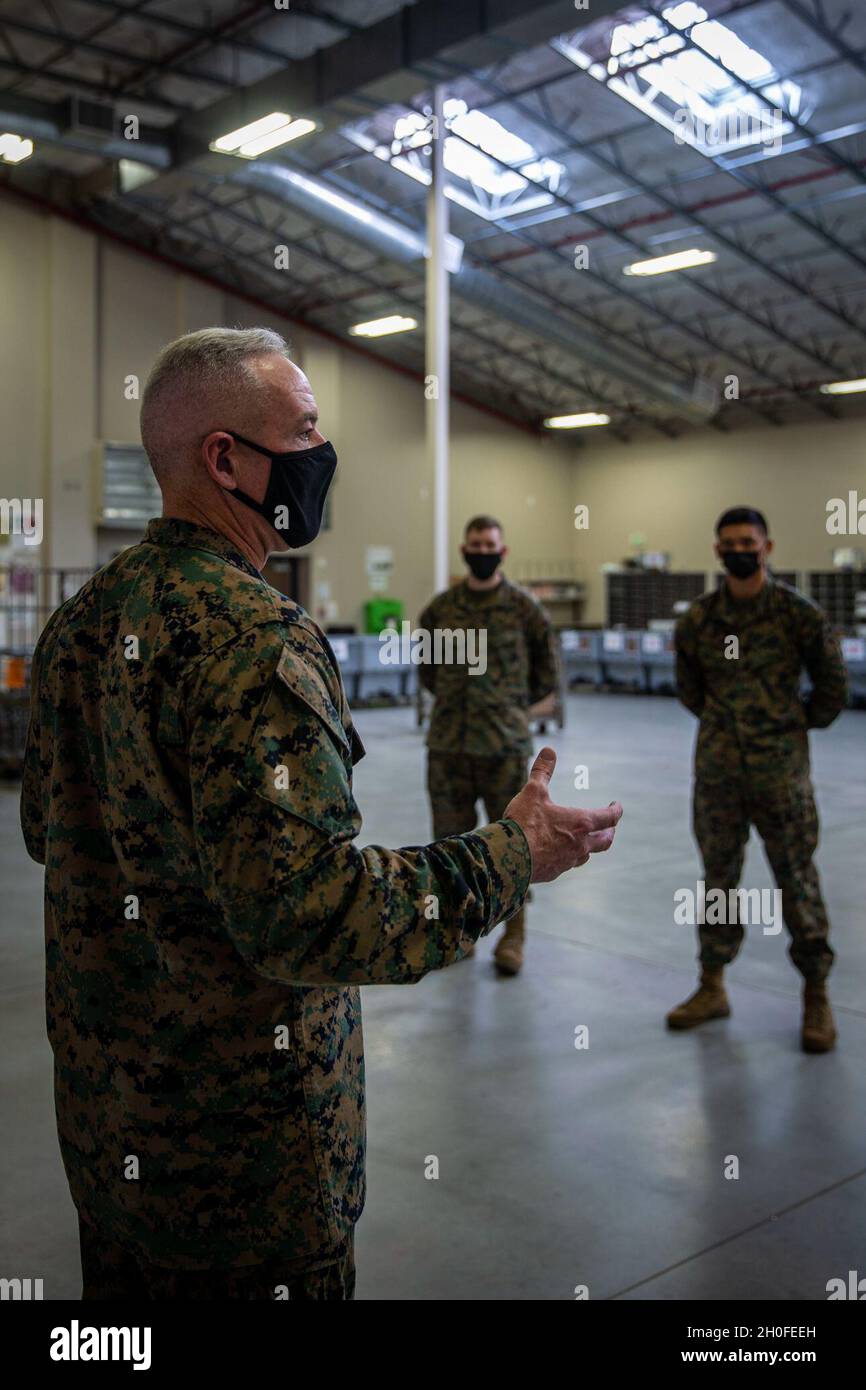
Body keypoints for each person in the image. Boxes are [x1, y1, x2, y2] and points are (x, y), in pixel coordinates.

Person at [20, 327, 622, 1300]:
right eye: (303, 430)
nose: (318, 455)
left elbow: (48, 832)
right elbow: (310, 916)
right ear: (226, 458)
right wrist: (511, 853)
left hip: (111, 1142)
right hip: (245, 1180)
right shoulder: (255, 640)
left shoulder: (80, 624)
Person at [668, 506, 847, 1051]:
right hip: (718, 774)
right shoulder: (698, 620)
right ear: (717, 551)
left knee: (796, 879)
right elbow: (689, 690)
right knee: (717, 882)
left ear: (768, 547)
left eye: (749, 540)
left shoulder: (800, 616)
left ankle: (816, 994)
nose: (739, 549)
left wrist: (787, 729)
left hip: (781, 777)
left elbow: (832, 689)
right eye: (729, 542)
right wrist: (730, 728)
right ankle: (712, 985)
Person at [417, 516, 559, 975]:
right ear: (464, 549)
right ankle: (458, 937)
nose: (482, 550)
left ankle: (513, 938)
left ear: (503, 550)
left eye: (489, 544)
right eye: (475, 544)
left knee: (514, 844)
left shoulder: (525, 610)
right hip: (449, 748)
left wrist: (507, 710)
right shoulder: (441, 610)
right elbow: (428, 672)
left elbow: (546, 675)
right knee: (449, 846)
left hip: (503, 749)